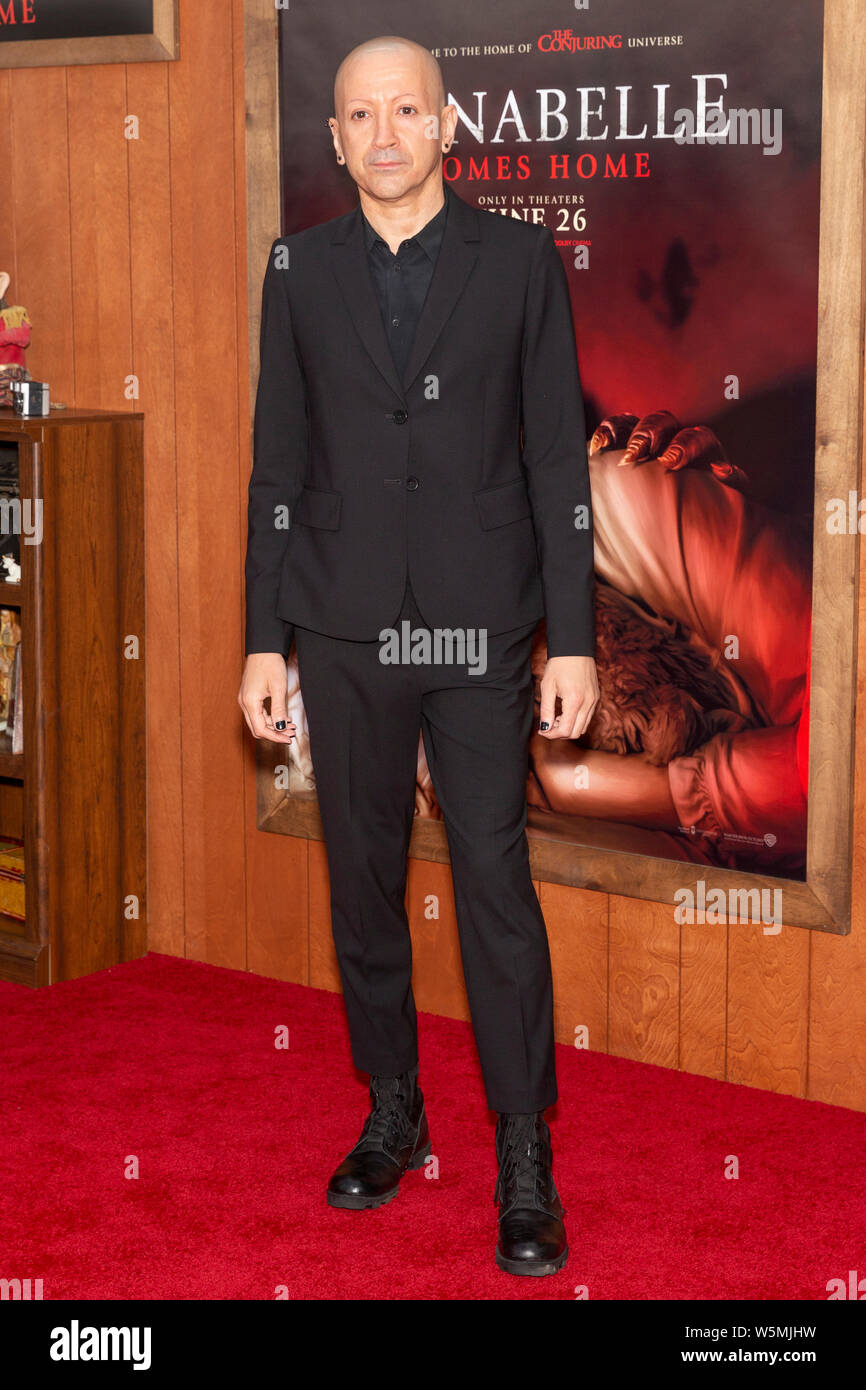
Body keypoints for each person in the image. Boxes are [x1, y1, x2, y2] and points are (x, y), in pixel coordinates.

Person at [238, 34, 598, 1277]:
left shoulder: (519, 262)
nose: (382, 133)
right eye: (357, 115)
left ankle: (520, 1149)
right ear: (332, 138)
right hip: (338, 627)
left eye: (405, 110)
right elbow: (275, 469)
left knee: (494, 883)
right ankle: (393, 1108)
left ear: (446, 126)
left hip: (481, 626)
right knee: (360, 881)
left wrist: (576, 641)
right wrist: (259, 643)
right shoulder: (297, 268)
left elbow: (558, 462)